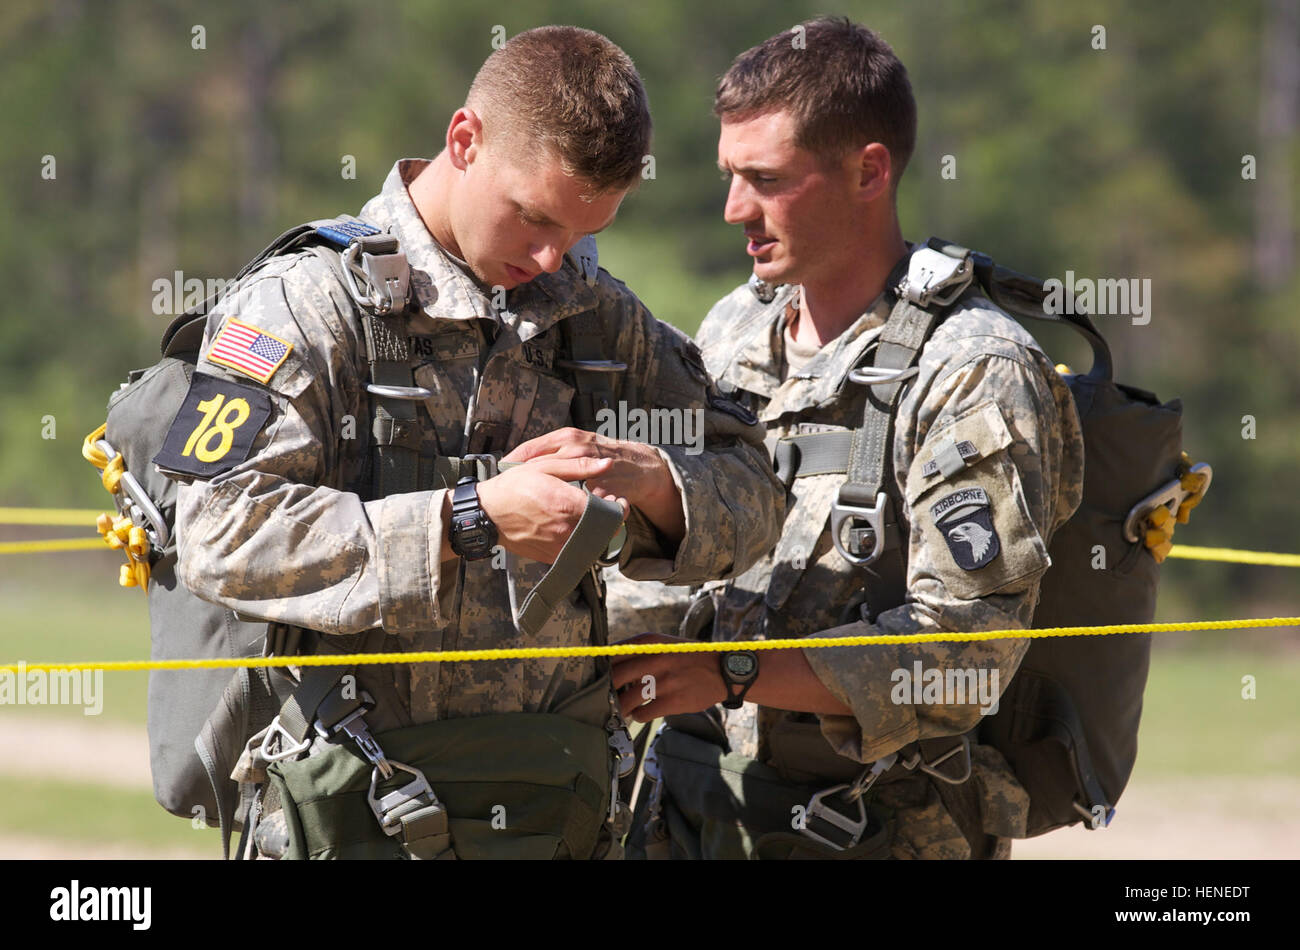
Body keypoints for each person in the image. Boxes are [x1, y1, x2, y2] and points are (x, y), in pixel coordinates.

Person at [167, 25, 784, 860]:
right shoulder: (306, 305)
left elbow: (756, 489)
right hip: (351, 811)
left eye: (577, 233)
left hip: (554, 817)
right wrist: (469, 520)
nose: (547, 256)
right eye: (530, 218)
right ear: (464, 140)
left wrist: (650, 483)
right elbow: (215, 533)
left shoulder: (594, 317)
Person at [608, 16, 1085, 859]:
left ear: (869, 172)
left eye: (766, 178)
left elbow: (963, 659)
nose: (734, 210)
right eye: (730, 175)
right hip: (694, 806)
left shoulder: (975, 369)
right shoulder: (732, 328)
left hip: (873, 827)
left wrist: (733, 673)